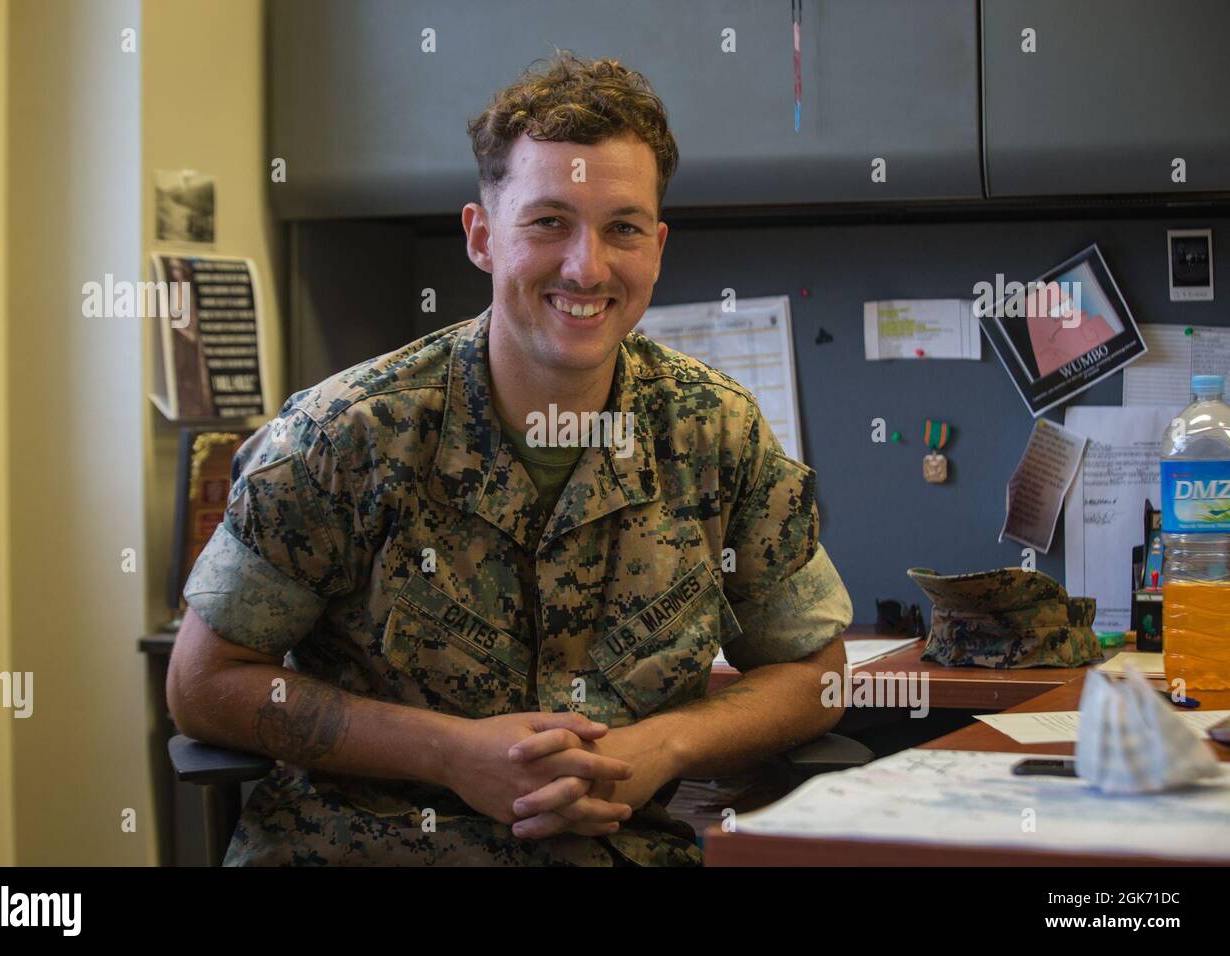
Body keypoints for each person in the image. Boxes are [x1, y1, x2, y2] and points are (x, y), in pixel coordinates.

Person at [167, 50, 853, 866]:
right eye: (549, 221)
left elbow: (815, 668)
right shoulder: (346, 435)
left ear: (658, 247)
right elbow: (203, 685)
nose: (587, 267)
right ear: (483, 235)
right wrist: (446, 753)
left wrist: (669, 745)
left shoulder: (715, 433)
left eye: (622, 228)